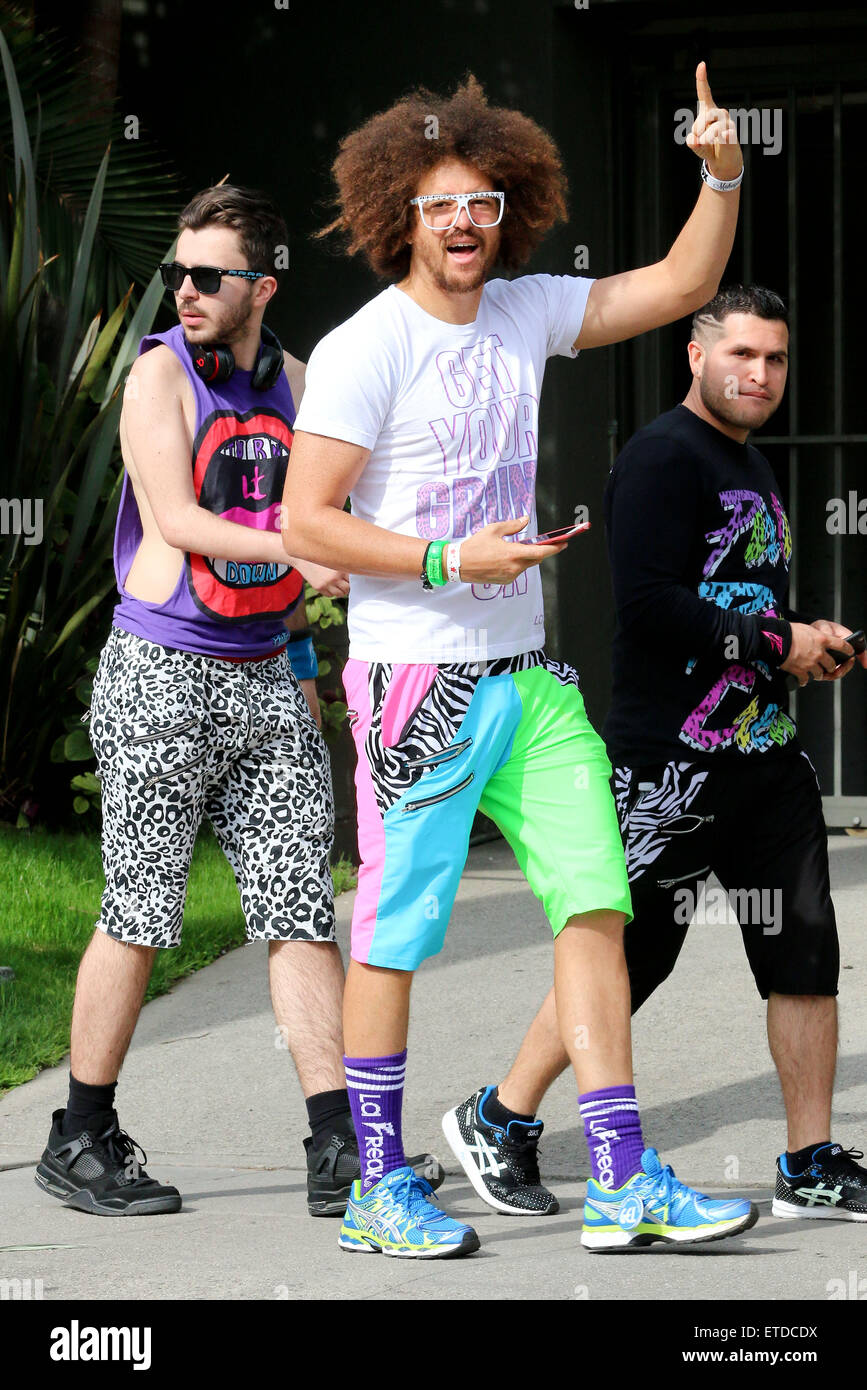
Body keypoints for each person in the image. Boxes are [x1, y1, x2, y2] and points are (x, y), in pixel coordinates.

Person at [282, 69, 761, 1256]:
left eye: (482, 202)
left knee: (600, 900)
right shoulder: (363, 349)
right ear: (402, 214)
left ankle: (617, 1175)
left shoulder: (528, 309)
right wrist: (450, 560)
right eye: (440, 205)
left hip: (528, 681)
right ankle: (378, 1185)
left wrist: (723, 170)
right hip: (414, 685)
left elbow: (685, 284)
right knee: (395, 933)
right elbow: (305, 523)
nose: (462, 223)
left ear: (510, 211)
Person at [35, 185, 439, 1219]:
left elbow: (343, 512)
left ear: (262, 286)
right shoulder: (160, 375)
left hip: (267, 672)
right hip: (162, 671)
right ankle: (78, 1132)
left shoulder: (302, 384)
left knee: (301, 909)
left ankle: (339, 1144)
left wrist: (313, 650)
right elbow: (179, 519)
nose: (185, 290)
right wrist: (309, 549)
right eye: (177, 272)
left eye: (207, 276)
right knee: (141, 909)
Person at [450, 284, 867, 1225]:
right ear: (694, 353)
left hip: (765, 760)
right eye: (741, 356)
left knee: (804, 952)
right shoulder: (658, 458)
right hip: (667, 770)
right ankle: (499, 1115)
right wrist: (776, 642)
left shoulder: (750, 463)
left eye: (775, 359)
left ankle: (808, 1157)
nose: (759, 375)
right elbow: (649, 608)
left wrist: (803, 646)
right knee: (631, 958)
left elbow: (737, 609)